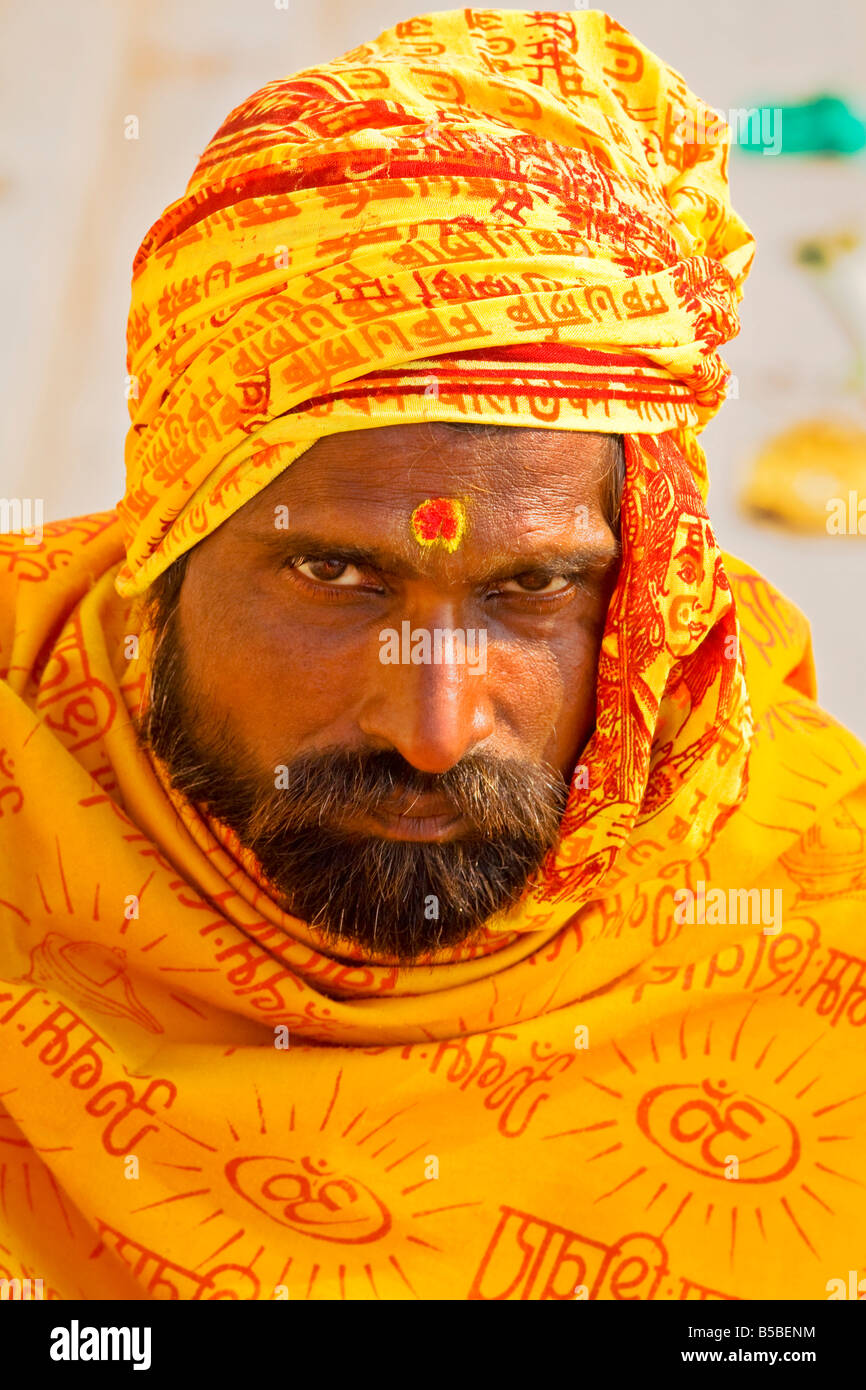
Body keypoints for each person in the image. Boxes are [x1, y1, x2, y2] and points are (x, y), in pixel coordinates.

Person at [1, 8, 865, 1303]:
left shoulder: (816, 923)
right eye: (336, 574)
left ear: (645, 589)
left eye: (533, 589)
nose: (435, 727)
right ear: (162, 542)